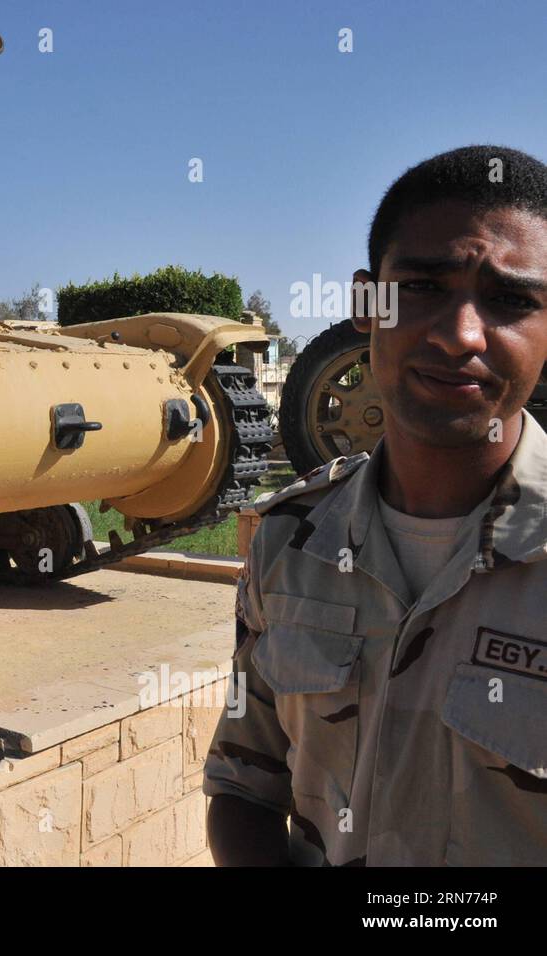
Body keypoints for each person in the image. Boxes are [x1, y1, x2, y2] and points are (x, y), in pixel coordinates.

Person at [204, 145, 547, 866]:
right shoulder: (288, 540)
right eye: (422, 286)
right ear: (367, 305)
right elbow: (242, 784)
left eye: (512, 300)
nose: (460, 335)